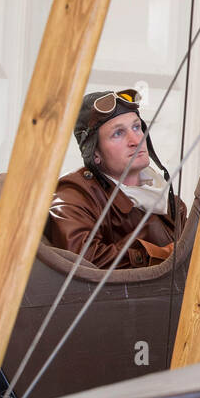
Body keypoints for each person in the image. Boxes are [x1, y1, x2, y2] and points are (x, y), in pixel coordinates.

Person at [46, 88, 188, 269]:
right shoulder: (74, 196)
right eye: (118, 133)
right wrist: (161, 255)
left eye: (136, 127)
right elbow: (83, 263)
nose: (136, 140)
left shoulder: (170, 203)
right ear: (94, 153)